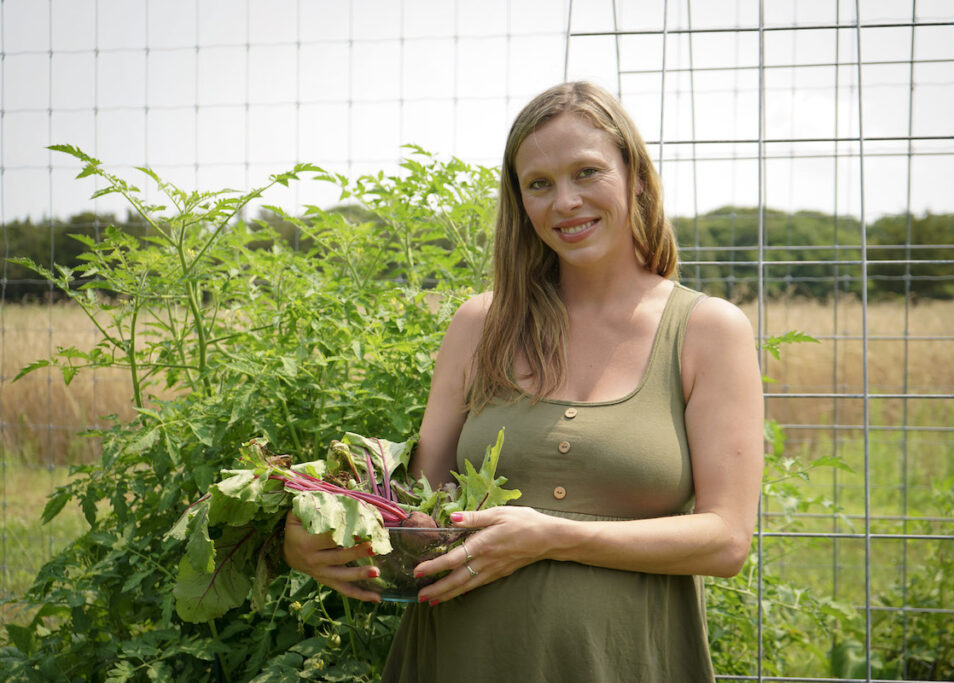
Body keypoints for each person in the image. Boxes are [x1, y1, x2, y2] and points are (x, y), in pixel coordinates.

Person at [283, 81, 764, 682]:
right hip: (463, 658)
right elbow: (419, 513)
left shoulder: (706, 331)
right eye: (539, 184)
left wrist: (550, 537)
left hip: (626, 661)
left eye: (587, 172)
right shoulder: (482, 324)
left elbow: (724, 541)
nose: (565, 201)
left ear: (636, 176)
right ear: (520, 201)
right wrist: (312, 537)